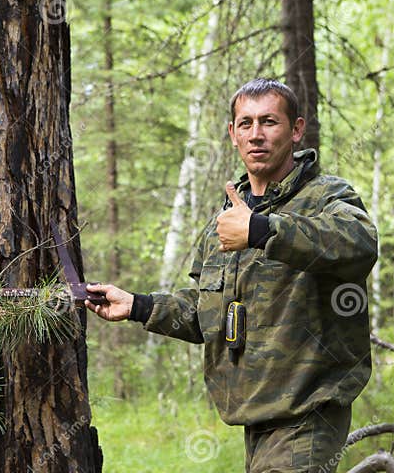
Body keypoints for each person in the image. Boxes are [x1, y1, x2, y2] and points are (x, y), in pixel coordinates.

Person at [85, 78, 378, 473]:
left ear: (296, 130)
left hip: (309, 411)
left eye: (269, 122)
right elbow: (208, 313)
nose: (256, 134)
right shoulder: (227, 219)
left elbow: (360, 243)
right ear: (232, 134)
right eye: (246, 123)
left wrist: (261, 230)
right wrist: (137, 305)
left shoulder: (325, 196)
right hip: (254, 415)